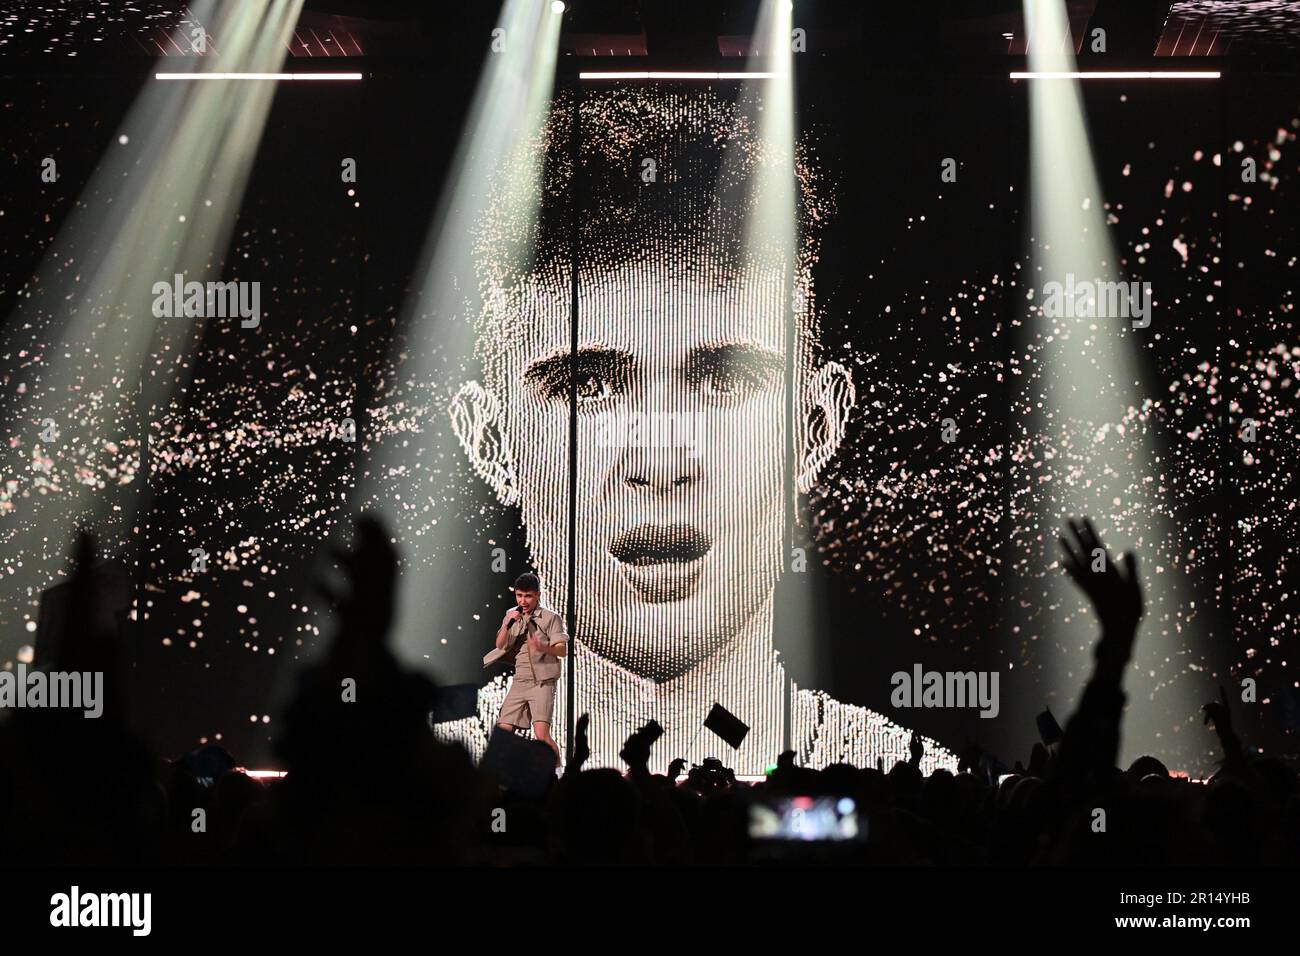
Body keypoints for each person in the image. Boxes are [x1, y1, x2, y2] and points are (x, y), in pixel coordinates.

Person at [436, 85, 957, 775]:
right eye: (585, 385)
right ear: (494, 440)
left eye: (726, 381)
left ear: (814, 427)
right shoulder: (404, 798)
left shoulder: (917, 777)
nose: (660, 459)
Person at [490, 572, 568, 765]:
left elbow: (562, 650)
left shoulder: (551, 618)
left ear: (538, 595)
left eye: (528, 596)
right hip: (520, 681)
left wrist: (543, 647)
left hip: (542, 682)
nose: (523, 600)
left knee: (541, 734)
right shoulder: (512, 615)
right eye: (519, 595)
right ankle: (498, 779)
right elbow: (500, 644)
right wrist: (508, 622)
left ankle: (559, 775)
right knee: (503, 732)